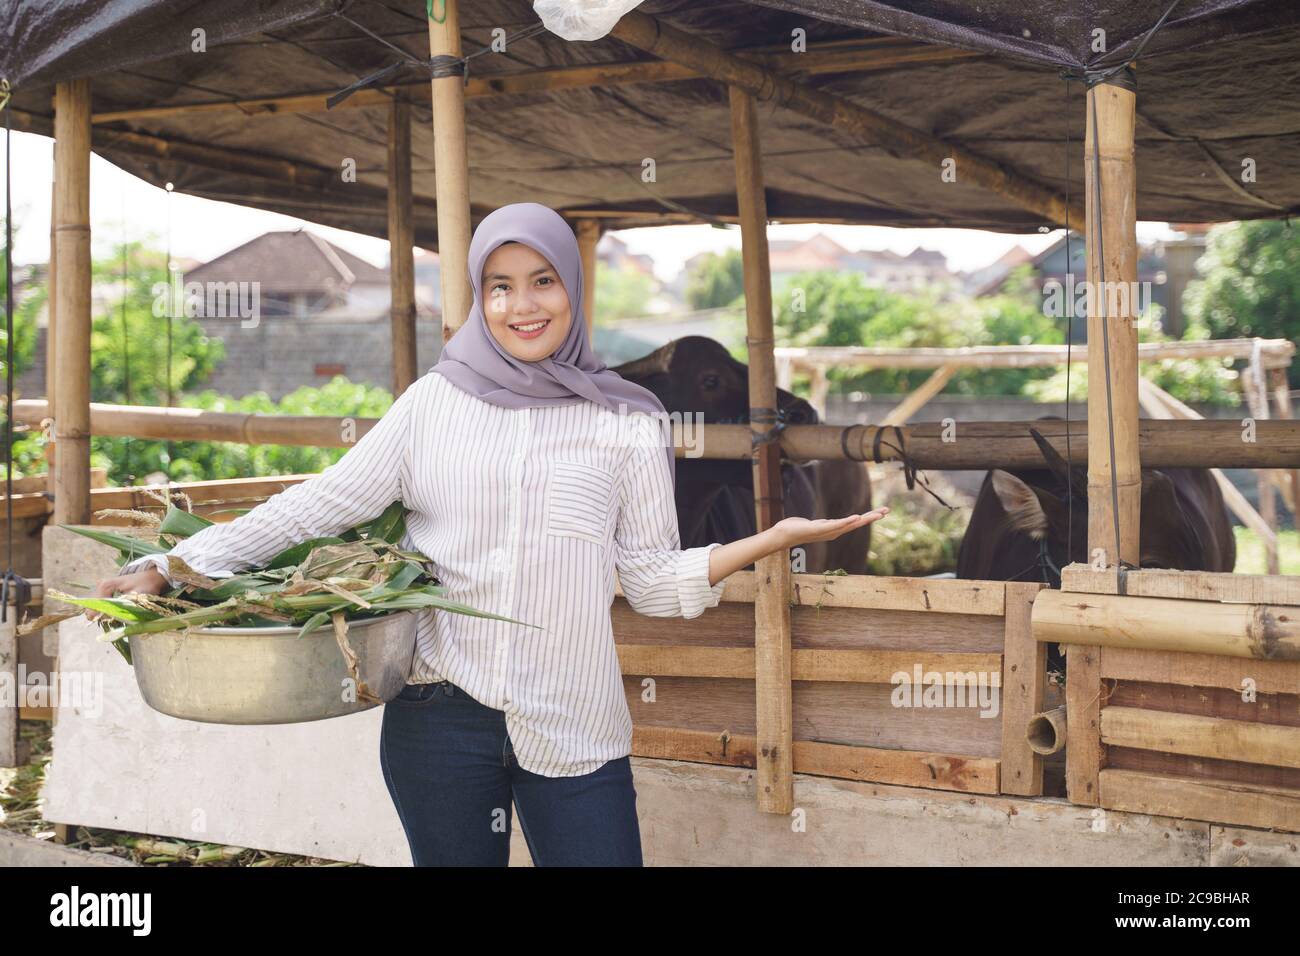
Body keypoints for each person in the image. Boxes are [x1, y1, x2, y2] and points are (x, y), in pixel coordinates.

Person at [94, 202, 889, 867]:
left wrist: (769, 537)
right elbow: (317, 506)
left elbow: (646, 579)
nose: (523, 304)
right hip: (441, 719)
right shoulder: (432, 405)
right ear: (479, 297)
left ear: (573, 289)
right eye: (500, 287)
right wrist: (174, 562)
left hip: (575, 724)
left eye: (542, 281)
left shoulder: (627, 422)